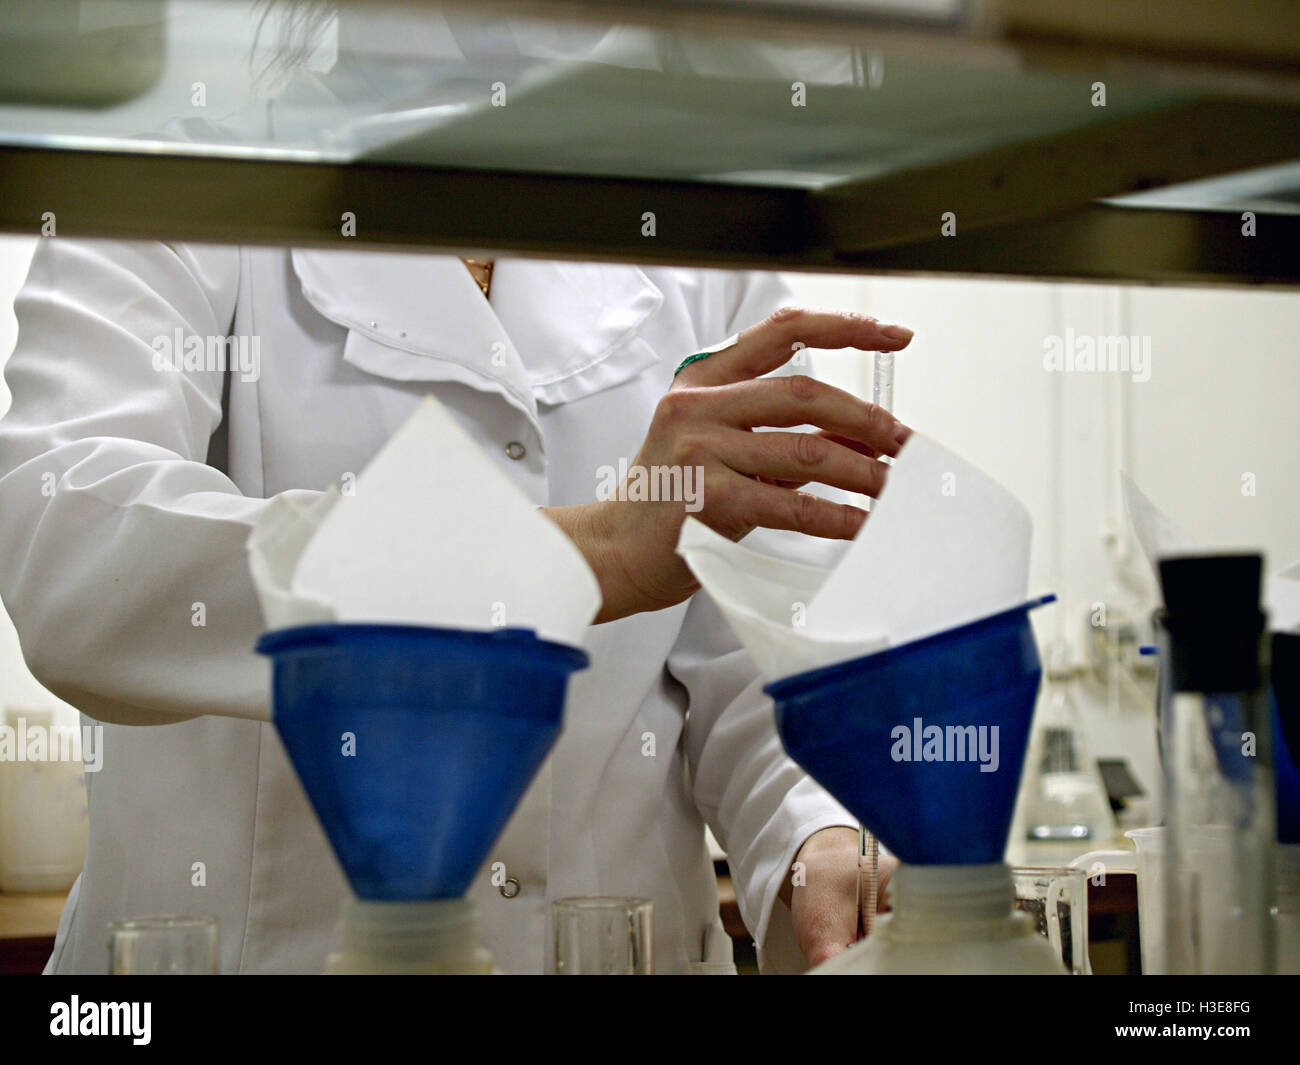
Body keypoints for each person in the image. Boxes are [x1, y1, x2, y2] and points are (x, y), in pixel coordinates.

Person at [0, 12, 913, 975]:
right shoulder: (175, 189)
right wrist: (587, 555)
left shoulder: (697, 235)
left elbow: (759, 663)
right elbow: (70, 551)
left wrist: (816, 834)